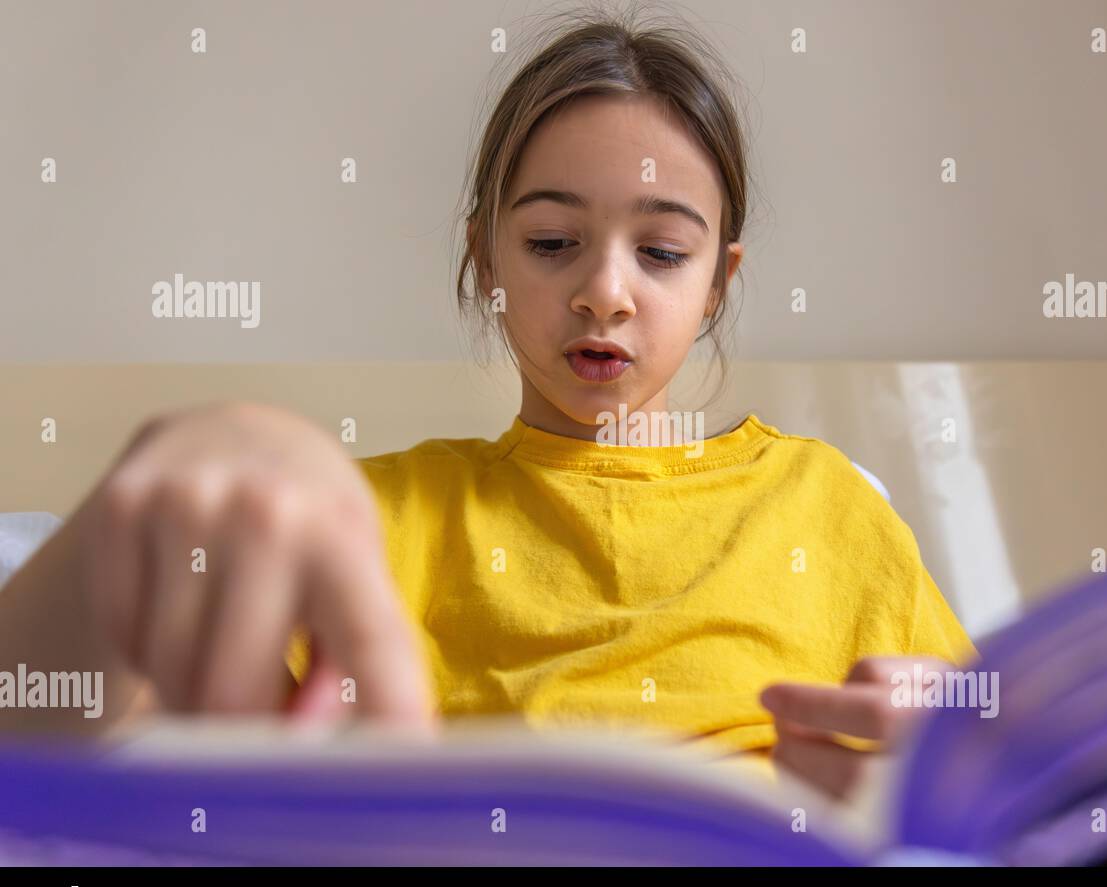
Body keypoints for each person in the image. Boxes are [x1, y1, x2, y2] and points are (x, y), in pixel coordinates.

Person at [0, 9, 975, 802]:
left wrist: (957, 752)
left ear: (718, 282)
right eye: (552, 242)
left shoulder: (828, 505)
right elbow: (45, 735)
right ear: (485, 259)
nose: (605, 290)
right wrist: (120, 532)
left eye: (663, 253)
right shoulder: (364, 518)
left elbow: (1003, 759)